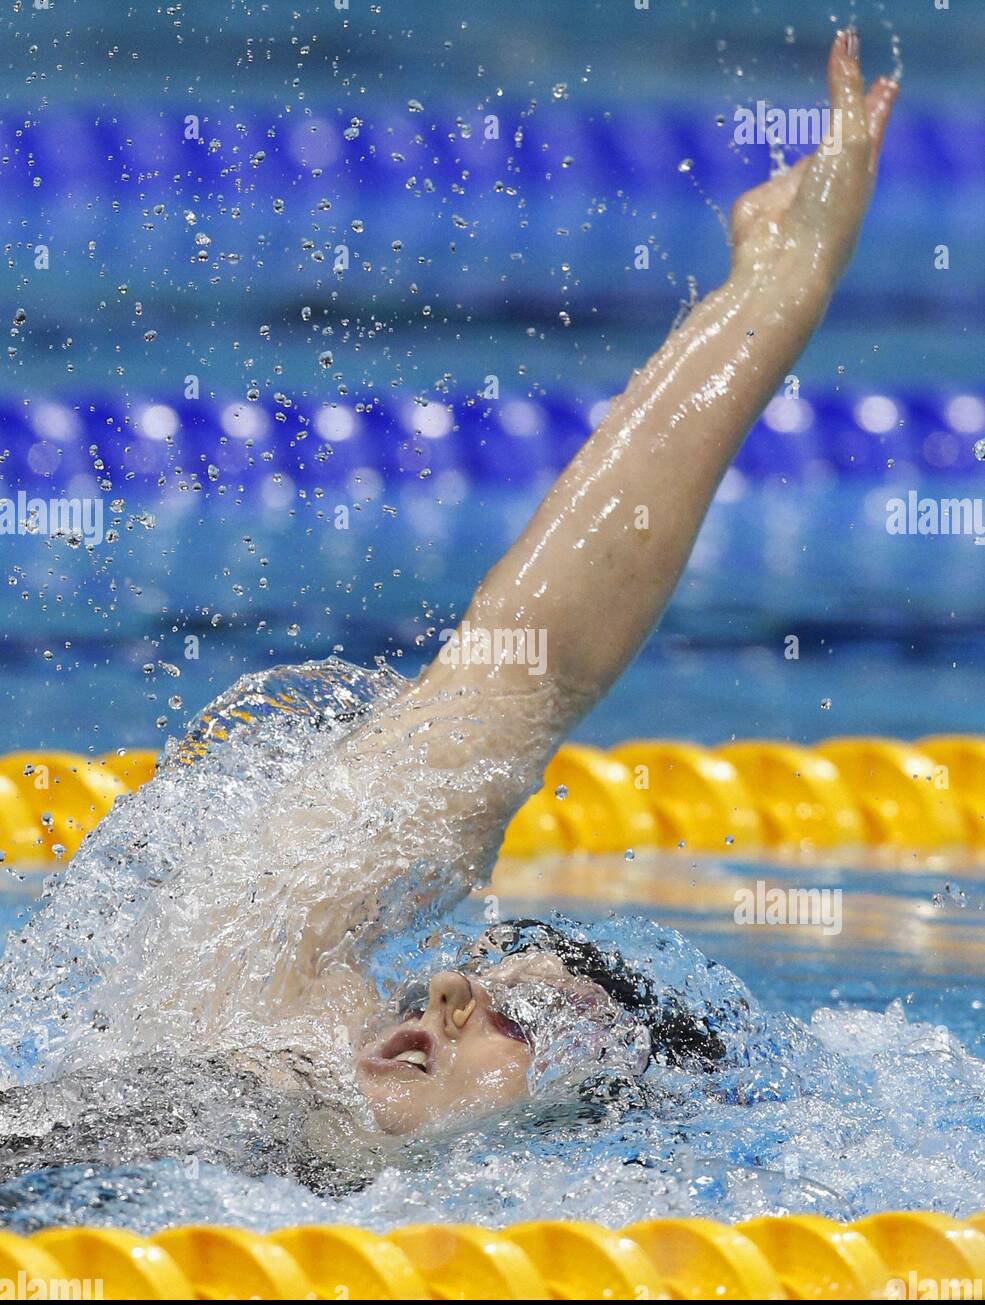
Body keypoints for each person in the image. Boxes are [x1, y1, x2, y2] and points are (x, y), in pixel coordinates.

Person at [1, 33, 898, 1161]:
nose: (448, 992)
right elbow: (523, 672)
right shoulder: (250, 1010)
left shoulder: (517, 1217)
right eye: (477, 980)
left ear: (569, 1126)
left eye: (521, 1020)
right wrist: (775, 286)